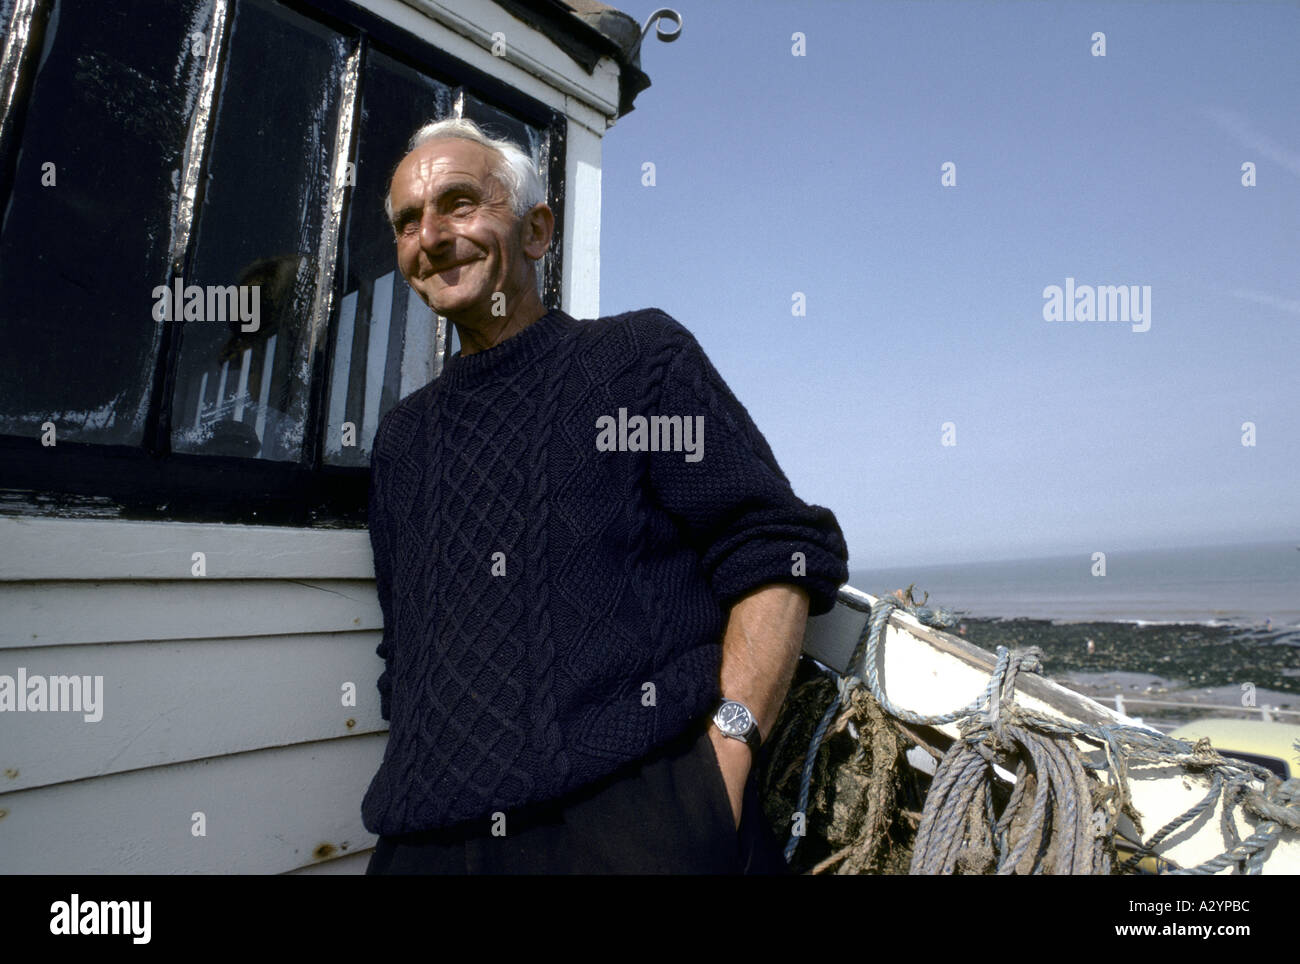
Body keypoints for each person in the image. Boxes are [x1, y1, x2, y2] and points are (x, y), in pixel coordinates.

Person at [361, 117, 849, 874]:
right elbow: (408, 648)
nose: (431, 235)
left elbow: (773, 548)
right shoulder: (401, 442)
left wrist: (728, 752)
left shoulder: (635, 362)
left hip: (638, 823)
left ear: (536, 229)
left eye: (460, 203)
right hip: (429, 842)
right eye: (407, 221)